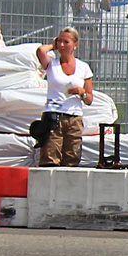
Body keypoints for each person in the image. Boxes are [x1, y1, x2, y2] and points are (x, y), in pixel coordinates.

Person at [32, 28, 94, 167]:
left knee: (71, 157)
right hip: (53, 116)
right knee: (50, 155)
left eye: (66, 42)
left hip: (74, 117)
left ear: (75, 45)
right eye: (59, 41)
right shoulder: (52, 64)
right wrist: (53, 46)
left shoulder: (83, 67)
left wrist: (81, 92)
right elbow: (41, 51)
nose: (61, 45)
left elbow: (89, 99)